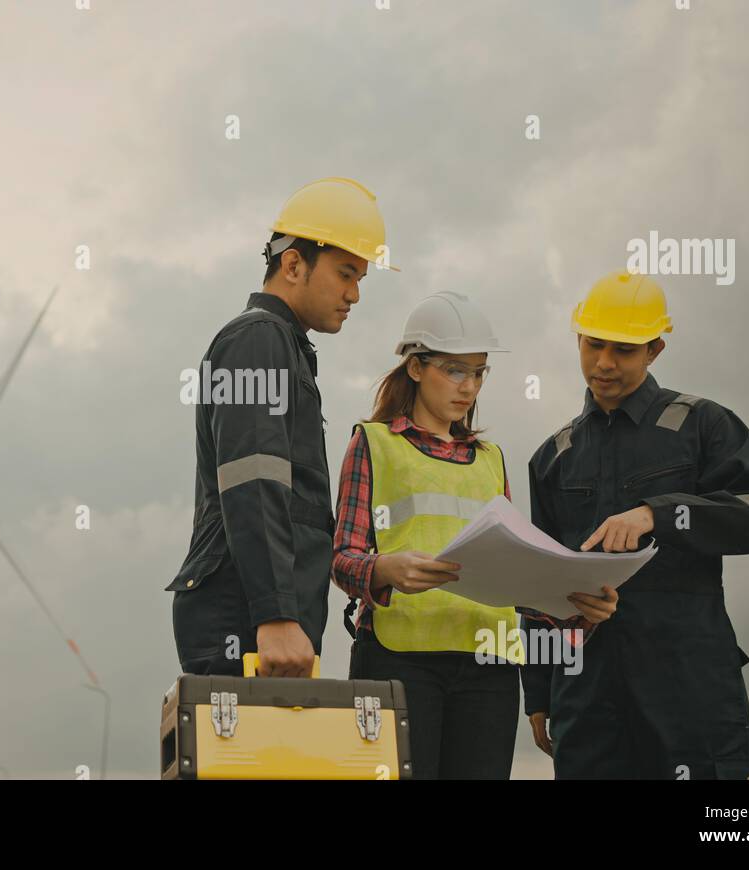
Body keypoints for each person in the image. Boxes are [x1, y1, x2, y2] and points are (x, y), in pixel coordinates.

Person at [332, 291, 617, 779]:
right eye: (455, 370)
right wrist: (385, 568)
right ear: (416, 367)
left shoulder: (491, 461)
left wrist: (573, 605)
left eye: (479, 372)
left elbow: (510, 575)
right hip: (402, 662)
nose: (469, 387)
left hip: (488, 667)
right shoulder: (374, 443)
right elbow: (342, 558)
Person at [522, 271, 749, 779]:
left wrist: (657, 514)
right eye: (594, 344)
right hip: (588, 697)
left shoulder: (703, 425)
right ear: (578, 338)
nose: (604, 363)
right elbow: (537, 582)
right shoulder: (552, 457)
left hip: (688, 687)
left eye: (623, 349)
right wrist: (537, 689)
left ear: (655, 350)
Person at [168, 177, 398, 677]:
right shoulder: (258, 340)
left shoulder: (284, 346)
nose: (354, 294)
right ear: (293, 264)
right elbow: (253, 482)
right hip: (247, 618)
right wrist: (274, 615)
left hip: (266, 614)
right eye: (345, 274)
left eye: (360, 278)